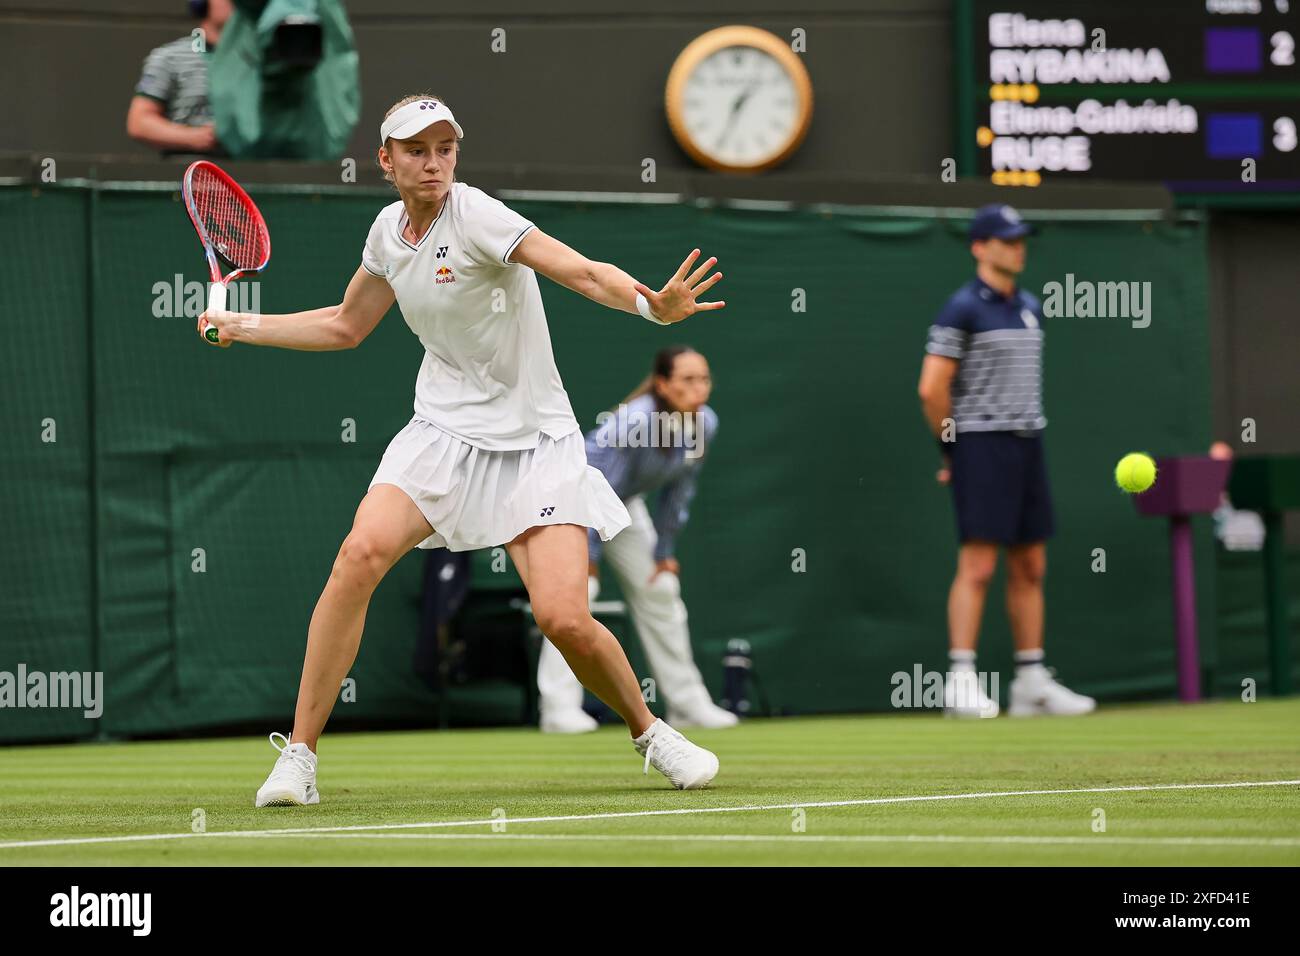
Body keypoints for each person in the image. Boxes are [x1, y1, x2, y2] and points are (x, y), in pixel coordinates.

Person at [197, 93, 728, 803]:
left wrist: (647, 303)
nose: (434, 161)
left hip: (537, 442)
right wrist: (244, 326)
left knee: (564, 617)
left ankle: (650, 732)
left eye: (445, 147)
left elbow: (578, 270)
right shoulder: (387, 233)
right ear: (384, 161)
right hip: (441, 433)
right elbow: (345, 325)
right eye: (416, 149)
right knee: (357, 556)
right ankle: (299, 757)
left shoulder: (477, 213)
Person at [917, 203, 1095, 718]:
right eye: (1007, 239)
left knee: (1031, 564)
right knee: (977, 566)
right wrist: (953, 449)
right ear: (980, 246)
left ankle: (1031, 681)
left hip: (1027, 442)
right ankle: (960, 681)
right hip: (980, 443)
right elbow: (931, 389)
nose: (1018, 247)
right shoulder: (961, 308)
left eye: (1022, 239)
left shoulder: (1030, 305)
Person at [538, 346, 738, 733]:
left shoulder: (704, 423)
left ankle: (688, 705)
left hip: (625, 506)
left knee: (662, 590)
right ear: (663, 384)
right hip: (576, 501)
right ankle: (558, 709)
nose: (700, 388)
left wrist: (664, 551)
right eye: (688, 380)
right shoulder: (635, 422)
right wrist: (587, 555)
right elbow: (596, 487)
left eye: (705, 379)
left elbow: (680, 490)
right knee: (577, 597)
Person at [126, 0, 230, 154]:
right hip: (190, 168)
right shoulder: (169, 57)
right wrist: (194, 136)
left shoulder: (265, 61)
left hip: (253, 171)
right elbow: (139, 122)